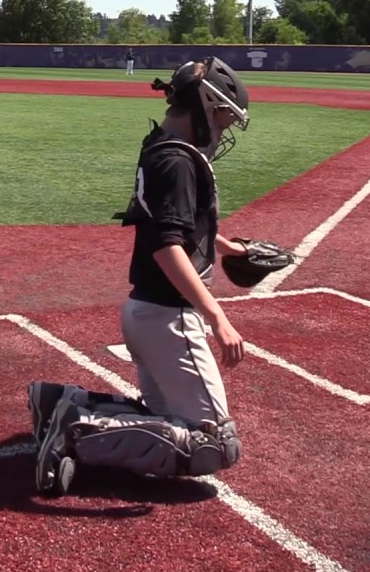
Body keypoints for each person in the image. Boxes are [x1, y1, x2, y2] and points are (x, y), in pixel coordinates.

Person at [28, 56, 251, 497]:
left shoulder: (160, 145)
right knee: (213, 445)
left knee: (168, 420)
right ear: (205, 106)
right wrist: (216, 317)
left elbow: (169, 224)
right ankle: (74, 430)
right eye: (222, 120)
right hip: (171, 318)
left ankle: (61, 402)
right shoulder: (178, 162)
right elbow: (166, 245)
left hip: (149, 313)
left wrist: (229, 249)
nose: (222, 131)